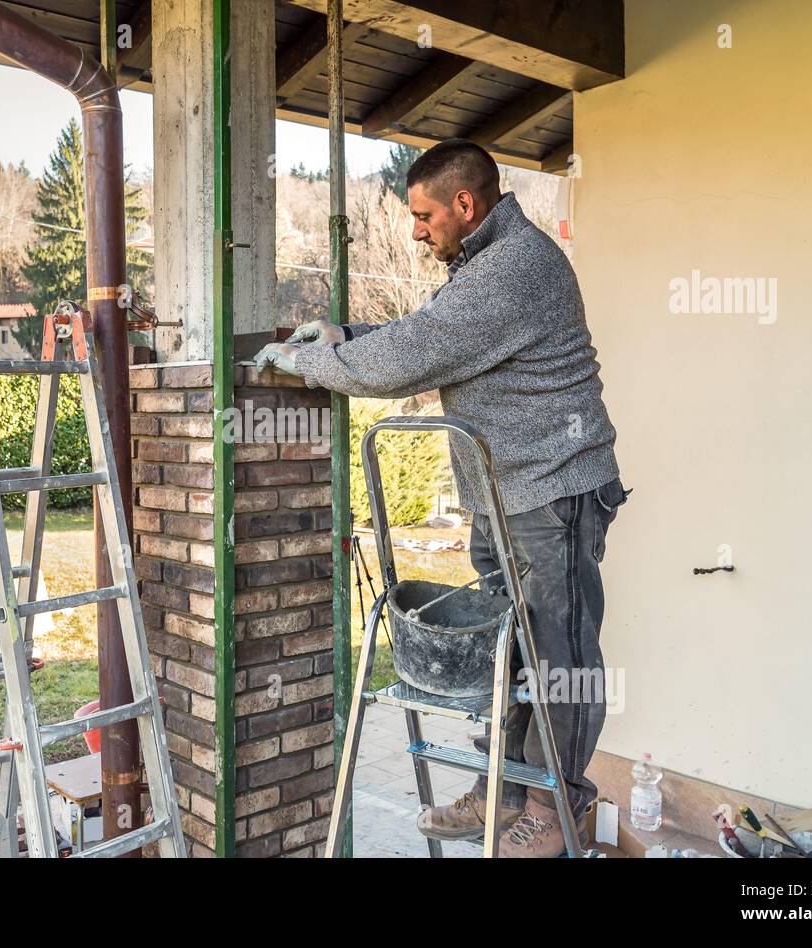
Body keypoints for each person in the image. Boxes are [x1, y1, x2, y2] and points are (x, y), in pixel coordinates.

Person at [254, 138, 629, 858]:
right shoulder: (482, 264)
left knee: (560, 652)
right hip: (505, 491)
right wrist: (344, 335)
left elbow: (410, 358)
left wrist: (309, 361)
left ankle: (555, 809)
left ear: (465, 203)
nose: (417, 231)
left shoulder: (516, 267)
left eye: (425, 216)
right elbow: (418, 333)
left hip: (553, 492)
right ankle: (505, 787)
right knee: (511, 651)